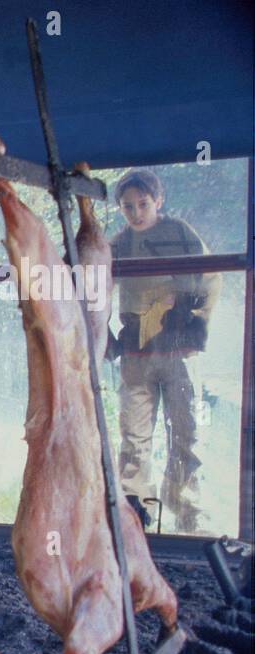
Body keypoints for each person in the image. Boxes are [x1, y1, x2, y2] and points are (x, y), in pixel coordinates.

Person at [108, 168, 220, 534]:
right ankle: (137, 516)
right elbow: (94, 286)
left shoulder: (181, 234)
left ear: (158, 201)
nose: (137, 213)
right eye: (128, 207)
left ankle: (187, 513)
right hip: (137, 352)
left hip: (176, 350)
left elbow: (211, 276)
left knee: (185, 432)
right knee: (134, 435)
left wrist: (197, 320)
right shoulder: (118, 244)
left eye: (143, 204)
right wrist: (105, 335)